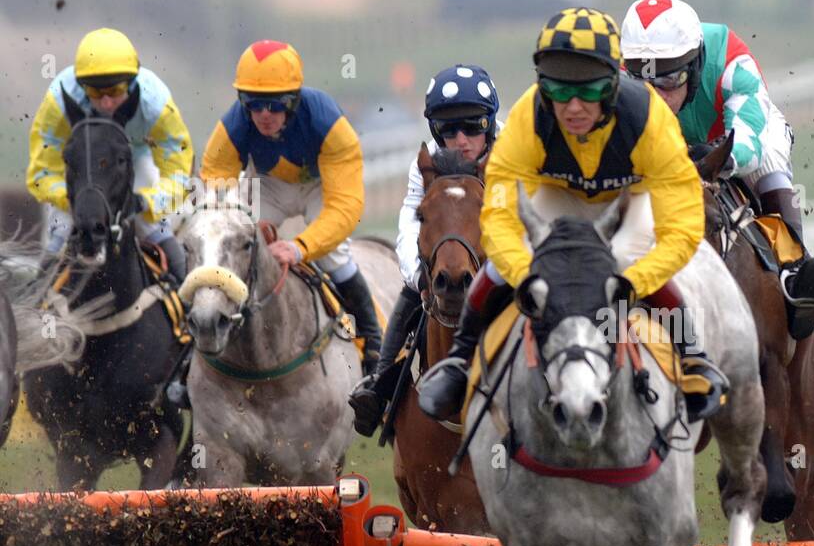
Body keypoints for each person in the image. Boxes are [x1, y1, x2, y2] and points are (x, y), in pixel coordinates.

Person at [416, 6, 728, 424]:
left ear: (615, 83)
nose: (574, 107)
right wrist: (525, 273)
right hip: (555, 198)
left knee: (630, 261)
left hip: (626, 200)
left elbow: (682, 228)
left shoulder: (649, 118)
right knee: (501, 272)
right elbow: (499, 219)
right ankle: (458, 362)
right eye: (560, 91)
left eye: (590, 89)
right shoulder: (529, 117)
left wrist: (633, 282)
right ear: (543, 86)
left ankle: (693, 361)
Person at [186, 39, 383, 406]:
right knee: (225, 250)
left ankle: (374, 350)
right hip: (270, 187)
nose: (264, 114)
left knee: (334, 259)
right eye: (253, 103)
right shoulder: (232, 124)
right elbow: (216, 194)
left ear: (294, 99)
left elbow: (345, 207)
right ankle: (192, 352)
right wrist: (240, 224)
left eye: (275, 104)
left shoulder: (328, 121)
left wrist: (299, 247)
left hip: (322, 187)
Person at [620, 0, 814, 339]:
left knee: (769, 161)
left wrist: (718, 156)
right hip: (662, 147)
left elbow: (748, 140)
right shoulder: (618, 72)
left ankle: (795, 269)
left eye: (670, 82)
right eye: (644, 84)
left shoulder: (731, 60)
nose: (656, 98)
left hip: (732, 133)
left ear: (696, 64)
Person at [349, 63, 501, 436]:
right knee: (413, 292)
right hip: (453, 260)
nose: (460, 139)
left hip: (504, 256)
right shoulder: (426, 164)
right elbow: (409, 220)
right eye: (448, 130)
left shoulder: (511, 153)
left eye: (473, 126)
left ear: (490, 125)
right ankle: (381, 383)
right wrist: (416, 272)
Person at [26, 27, 191, 284]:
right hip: (81, 171)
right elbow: (41, 173)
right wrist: (72, 198)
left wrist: (147, 202)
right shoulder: (58, 101)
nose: (105, 103)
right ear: (81, 86)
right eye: (94, 92)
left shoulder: (156, 103)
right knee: (60, 231)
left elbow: (179, 172)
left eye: (114, 91)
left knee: (153, 227)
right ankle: (37, 308)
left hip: (134, 162)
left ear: (132, 83)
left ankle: (185, 302)